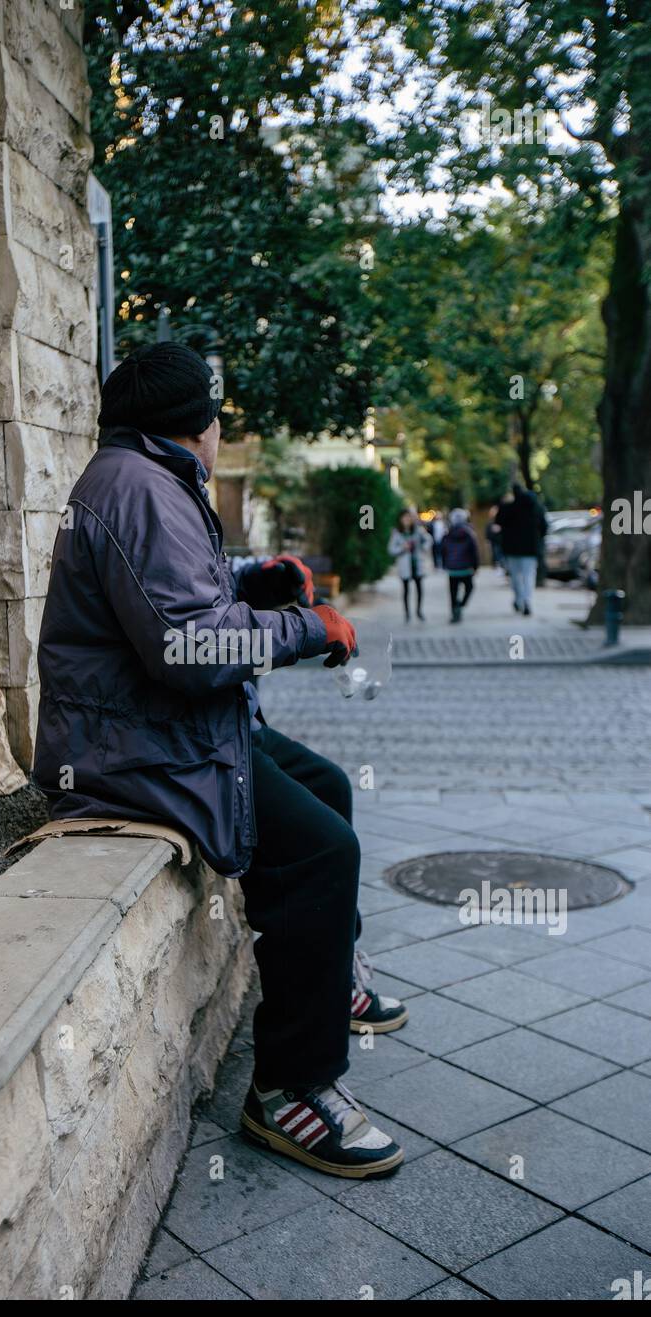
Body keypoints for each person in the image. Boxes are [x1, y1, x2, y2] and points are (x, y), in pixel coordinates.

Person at [34, 343, 408, 1181]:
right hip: (133, 746)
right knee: (323, 850)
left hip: (165, 725)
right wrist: (313, 630)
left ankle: (327, 976)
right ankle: (290, 1092)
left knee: (327, 786)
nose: (218, 429)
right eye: (215, 416)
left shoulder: (143, 476)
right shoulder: (139, 489)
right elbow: (190, 646)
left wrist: (259, 580)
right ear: (195, 426)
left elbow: (185, 594)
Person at [495, 484, 548, 615]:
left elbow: (499, 522)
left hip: (512, 549)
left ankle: (519, 600)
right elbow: (544, 527)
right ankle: (527, 600)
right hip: (530, 549)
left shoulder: (509, 507)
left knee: (515, 577)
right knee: (528, 576)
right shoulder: (537, 508)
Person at [388, 508, 431, 622]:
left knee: (419, 589)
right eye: (405, 517)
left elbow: (428, 540)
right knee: (406, 590)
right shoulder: (397, 532)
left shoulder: (418, 530)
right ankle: (407, 613)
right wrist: (402, 548)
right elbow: (391, 549)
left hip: (417, 565)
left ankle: (419, 611)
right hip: (405, 566)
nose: (407, 520)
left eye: (409, 517)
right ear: (401, 519)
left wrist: (423, 548)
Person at [442, 507, 480, 622]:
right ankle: (461, 605)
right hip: (466, 568)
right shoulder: (469, 533)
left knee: (453, 592)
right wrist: (475, 566)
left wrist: (445, 564)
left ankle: (455, 613)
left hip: (452, 569)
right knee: (469, 587)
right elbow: (474, 551)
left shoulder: (447, 534)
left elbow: (443, 551)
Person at [485, 505, 504, 572]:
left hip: (501, 542)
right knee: (495, 555)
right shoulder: (490, 522)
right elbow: (487, 533)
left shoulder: (502, 520)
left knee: (500, 555)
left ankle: (502, 568)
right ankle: (497, 567)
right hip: (493, 542)